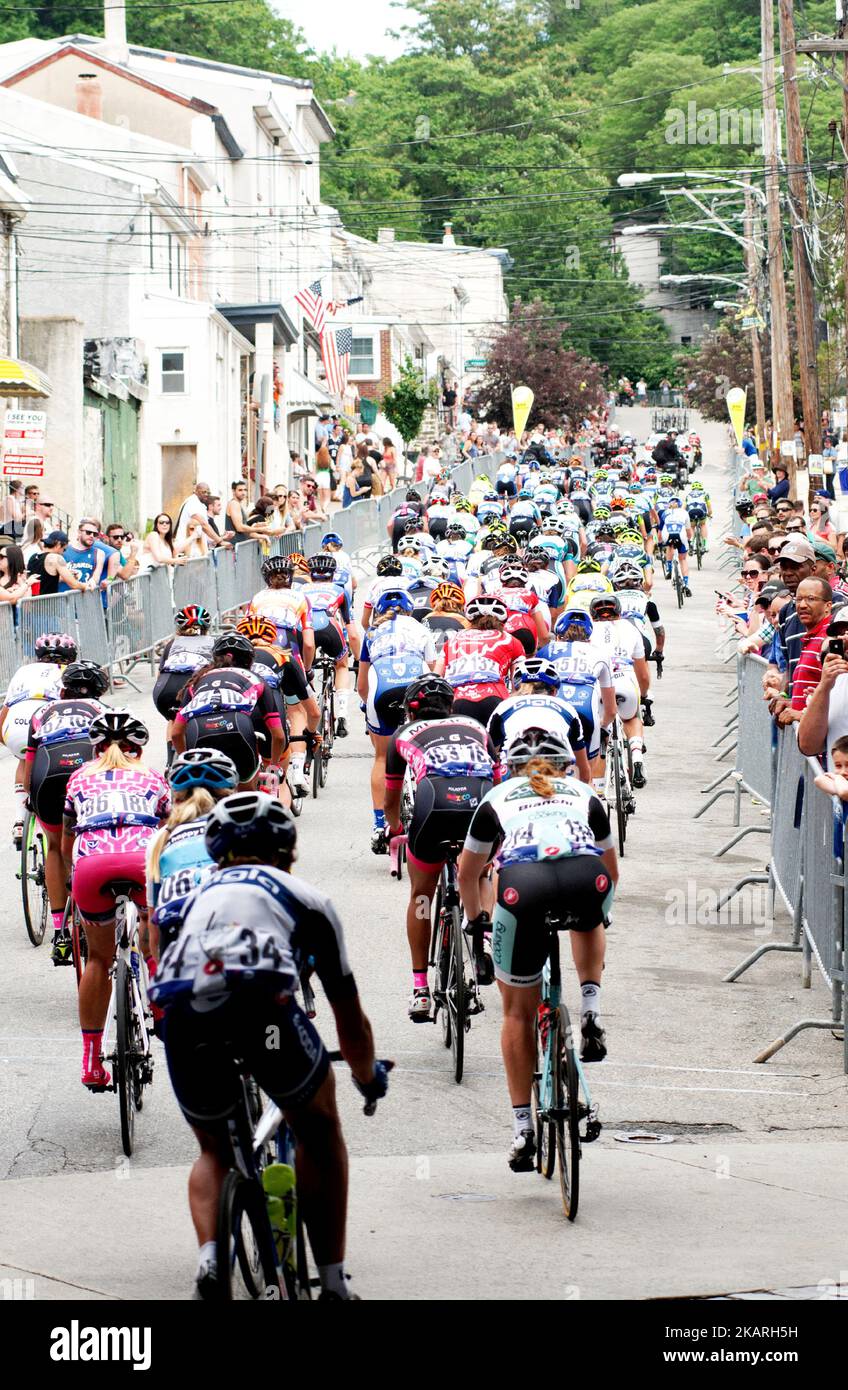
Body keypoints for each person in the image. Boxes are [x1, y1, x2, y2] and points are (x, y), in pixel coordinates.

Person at [150, 791, 389, 1301]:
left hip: (185, 1015)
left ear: (217, 853)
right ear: (287, 851)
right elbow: (348, 1012)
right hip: (261, 1008)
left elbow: (161, 955)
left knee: (212, 1149)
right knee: (320, 1130)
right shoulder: (304, 897)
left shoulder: (187, 896)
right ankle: (332, 1283)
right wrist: (366, 1077)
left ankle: (211, 1265)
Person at [458, 728, 617, 1172]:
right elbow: (612, 870)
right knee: (591, 917)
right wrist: (603, 912)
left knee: (516, 1014)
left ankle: (524, 1129)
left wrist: (477, 923)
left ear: (507, 767)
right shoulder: (586, 794)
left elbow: (467, 874)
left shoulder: (497, 798)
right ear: (567, 764)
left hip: (523, 890)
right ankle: (590, 1010)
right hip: (586, 879)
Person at [62, 711, 170, 1091]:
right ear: (138, 748)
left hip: (92, 864)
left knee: (97, 959)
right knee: (152, 938)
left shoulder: (79, 777)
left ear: (95, 748)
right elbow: (167, 833)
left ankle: (92, 1060)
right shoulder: (153, 775)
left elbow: (64, 844)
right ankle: (160, 1009)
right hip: (142, 859)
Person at [383, 674, 498, 1020]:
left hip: (433, 807)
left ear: (410, 710)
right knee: (479, 873)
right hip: (480, 803)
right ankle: (481, 937)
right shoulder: (476, 727)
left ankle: (420, 988)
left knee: (421, 894)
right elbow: (497, 776)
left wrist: (395, 829)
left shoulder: (403, 735)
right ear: (451, 707)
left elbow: (391, 799)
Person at [24, 661, 110, 965]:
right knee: (97, 830)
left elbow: (29, 764)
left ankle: (61, 934)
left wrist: (29, 797)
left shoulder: (42, 713)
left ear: (62, 690)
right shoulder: (102, 708)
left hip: (47, 773)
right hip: (87, 768)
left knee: (56, 847)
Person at [356, 588, 437, 853]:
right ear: (410, 609)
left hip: (382, 687)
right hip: (417, 683)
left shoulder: (372, 632)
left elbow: (362, 686)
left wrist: (366, 705)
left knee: (381, 757)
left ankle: (380, 824)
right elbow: (433, 671)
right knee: (428, 748)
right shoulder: (420, 628)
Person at [146, 748, 239, 956]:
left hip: (178, 943)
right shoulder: (243, 829)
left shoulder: (160, 839)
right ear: (231, 794)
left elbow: (154, 934)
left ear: (177, 799)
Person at [172, 632, 285, 790]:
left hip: (198, 730)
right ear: (250, 661)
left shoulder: (196, 682)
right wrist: (274, 766)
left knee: (202, 795)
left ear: (215, 658)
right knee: (246, 798)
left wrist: (186, 762)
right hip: (238, 726)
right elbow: (279, 736)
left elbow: (176, 734)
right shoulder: (257, 679)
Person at [435, 595, 526, 727]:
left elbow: (437, 677)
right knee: (496, 745)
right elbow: (520, 685)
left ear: (471, 620)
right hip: (495, 697)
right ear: (502, 621)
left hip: (457, 700)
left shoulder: (453, 640)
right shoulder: (510, 639)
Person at [153, 605, 215, 740]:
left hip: (163, 691)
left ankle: (170, 760)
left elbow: (159, 676)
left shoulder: (172, 644)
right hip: (191, 689)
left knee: (173, 720)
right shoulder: (213, 643)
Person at [27, 530, 93, 597]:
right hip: (48, 604)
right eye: (64, 549)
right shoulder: (56, 558)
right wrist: (85, 586)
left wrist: (66, 576)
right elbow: (74, 584)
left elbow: (45, 579)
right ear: (58, 545)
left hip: (32, 603)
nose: (63, 553)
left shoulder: (33, 557)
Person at [61, 520, 107, 592]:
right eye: (88, 532)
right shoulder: (64, 549)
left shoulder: (99, 553)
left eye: (95, 534)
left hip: (85, 598)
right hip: (63, 598)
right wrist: (66, 576)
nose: (91, 536)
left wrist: (93, 582)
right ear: (79, 532)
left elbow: (96, 577)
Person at [175, 481, 223, 550]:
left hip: (196, 546)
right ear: (196, 491)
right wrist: (220, 541)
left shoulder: (199, 503)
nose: (206, 494)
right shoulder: (193, 502)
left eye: (208, 492)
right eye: (203, 492)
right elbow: (204, 525)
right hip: (187, 547)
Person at [314, 441, 334, 513]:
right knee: (327, 496)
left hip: (318, 476)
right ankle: (325, 507)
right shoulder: (329, 459)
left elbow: (314, 471)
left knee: (320, 495)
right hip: (326, 476)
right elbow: (333, 468)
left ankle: (322, 507)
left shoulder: (316, 459)